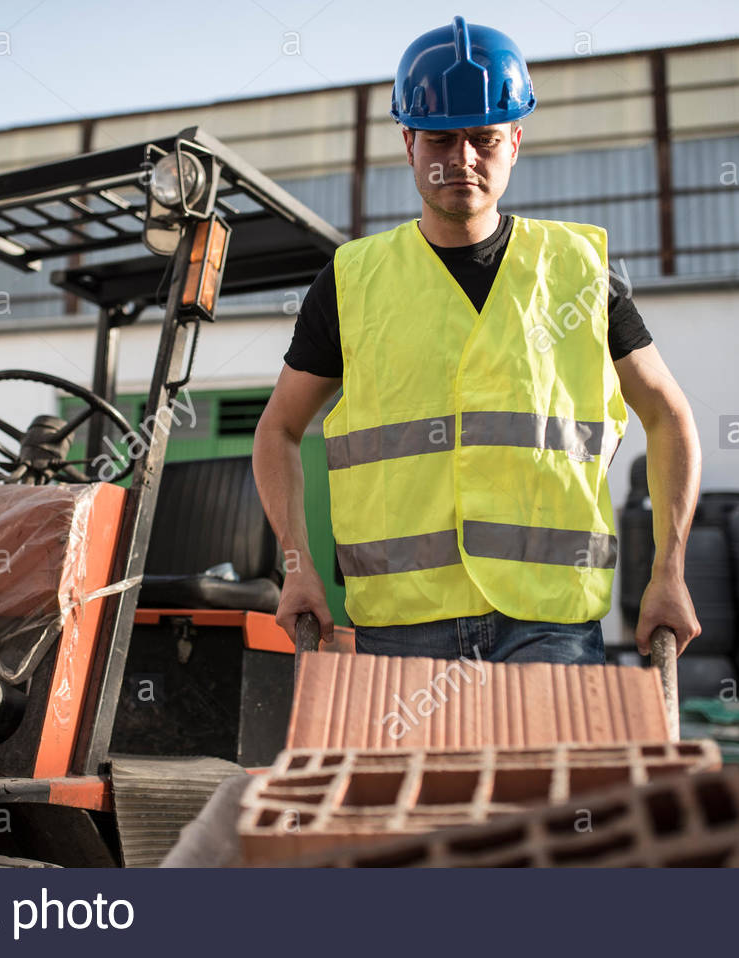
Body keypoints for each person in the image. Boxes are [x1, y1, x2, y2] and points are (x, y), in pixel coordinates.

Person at [252, 17, 702, 664]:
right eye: (440, 139)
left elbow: (668, 414)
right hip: (402, 627)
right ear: (408, 143)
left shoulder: (578, 272)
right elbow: (278, 431)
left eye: (484, 140)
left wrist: (670, 571)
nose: (462, 160)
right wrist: (297, 566)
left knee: (544, 775)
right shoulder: (352, 282)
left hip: (550, 623)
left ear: (514, 142)